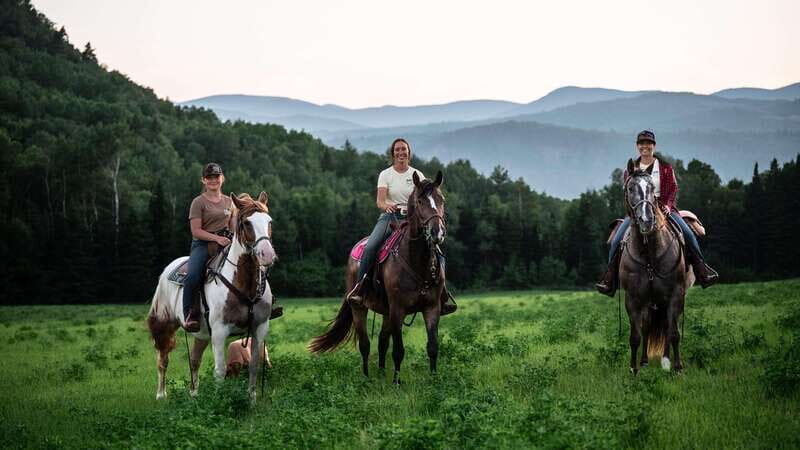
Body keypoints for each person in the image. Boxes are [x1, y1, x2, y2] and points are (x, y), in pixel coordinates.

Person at [596, 130, 719, 297]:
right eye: (641, 143)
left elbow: (673, 189)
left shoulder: (665, 168)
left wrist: (668, 206)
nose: (644, 146)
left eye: (648, 143)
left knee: (688, 234)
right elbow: (628, 194)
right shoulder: (630, 170)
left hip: (663, 210)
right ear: (637, 146)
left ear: (654, 146)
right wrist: (633, 211)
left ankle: (702, 270)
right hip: (638, 212)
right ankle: (609, 279)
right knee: (617, 240)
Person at [346, 138, 457, 315]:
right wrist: (387, 205)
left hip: (415, 220)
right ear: (392, 153)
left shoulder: (417, 175)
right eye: (397, 150)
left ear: (409, 152)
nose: (400, 152)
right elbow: (380, 201)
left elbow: (427, 199)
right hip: (390, 218)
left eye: (404, 149)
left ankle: (441, 295)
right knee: (372, 246)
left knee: (437, 252)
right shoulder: (386, 174)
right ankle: (361, 290)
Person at [183, 163, 282, 332]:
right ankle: (190, 314)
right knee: (192, 275)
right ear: (204, 180)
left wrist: (232, 238)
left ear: (222, 178)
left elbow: (233, 226)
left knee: (255, 263)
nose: (213, 180)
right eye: (209, 178)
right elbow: (196, 231)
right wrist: (217, 238)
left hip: (226, 241)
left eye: (216, 177)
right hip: (203, 245)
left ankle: (265, 304)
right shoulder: (198, 202)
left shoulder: (230, 202)